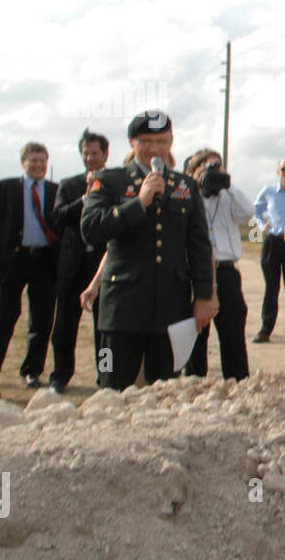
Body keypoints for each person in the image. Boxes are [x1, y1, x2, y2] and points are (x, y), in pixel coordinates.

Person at [81, 110, 216, 389]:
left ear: (171, 142)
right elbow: (91, 228)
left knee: (164, 389)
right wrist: (139, 202)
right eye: (146, 141)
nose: (154, 148)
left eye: (161, 141)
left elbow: (200, 245)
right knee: (109, 382)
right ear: (132, 142)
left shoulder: (185, 186)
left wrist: (203, 295)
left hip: (170, 309)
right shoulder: (108, 180)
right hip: (119, 310)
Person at [0, 142, 59, 389]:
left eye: (43, 161)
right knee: (5, 316)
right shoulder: (6, 188)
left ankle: (32, 371)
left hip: (44, 261)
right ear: (23, 163)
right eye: (33, 160)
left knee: (41, 319)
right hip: (13, 260)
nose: (39, 165)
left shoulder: (55, 190)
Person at [47, 129, 109, 393]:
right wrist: (84, 199)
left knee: (105, 328)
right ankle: (60, 375)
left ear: (105, 155)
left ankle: (106, 375)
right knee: (63, 326)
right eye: (86, 153)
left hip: (103, 265)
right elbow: (58, 216)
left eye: (95, 152)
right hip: (72, 264)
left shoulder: (114, 182)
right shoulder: (69, 185)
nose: (90, 157)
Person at [183, 149, 253, 380]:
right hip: (195, 273)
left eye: (216, 167)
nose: (211, 173)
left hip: (225, 272)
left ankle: (238, 383)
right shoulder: (187, 196)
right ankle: (195, 385)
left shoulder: (227, 196)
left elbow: (248, 212)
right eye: (205, 168)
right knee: (196, 335)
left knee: (233, 335)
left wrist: (227, 184)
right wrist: (196, 183)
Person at [252, 158, 285, 343]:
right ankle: (266, 329)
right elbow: (257, 210)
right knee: (271, 288)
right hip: (272, 241)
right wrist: (260, 224)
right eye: (284, 168)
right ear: (277, 171)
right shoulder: (268, 191)